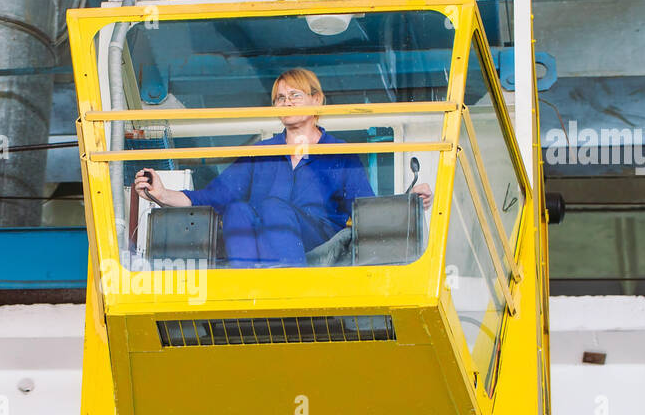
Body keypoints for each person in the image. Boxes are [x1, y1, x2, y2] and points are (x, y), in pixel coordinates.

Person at [134, 68, 432, 267]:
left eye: (295, 96)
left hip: (318, 242)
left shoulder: (339, 153)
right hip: (265, 241)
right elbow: (213, 196)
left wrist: (409, 202)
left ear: (316, 100)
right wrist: (162, 194)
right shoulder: (262, 153)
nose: (286, 102)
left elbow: (366, 207)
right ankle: (247, 293)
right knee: (237, 210)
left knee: (274, 208)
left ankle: (293, 287)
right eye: (280, 98)